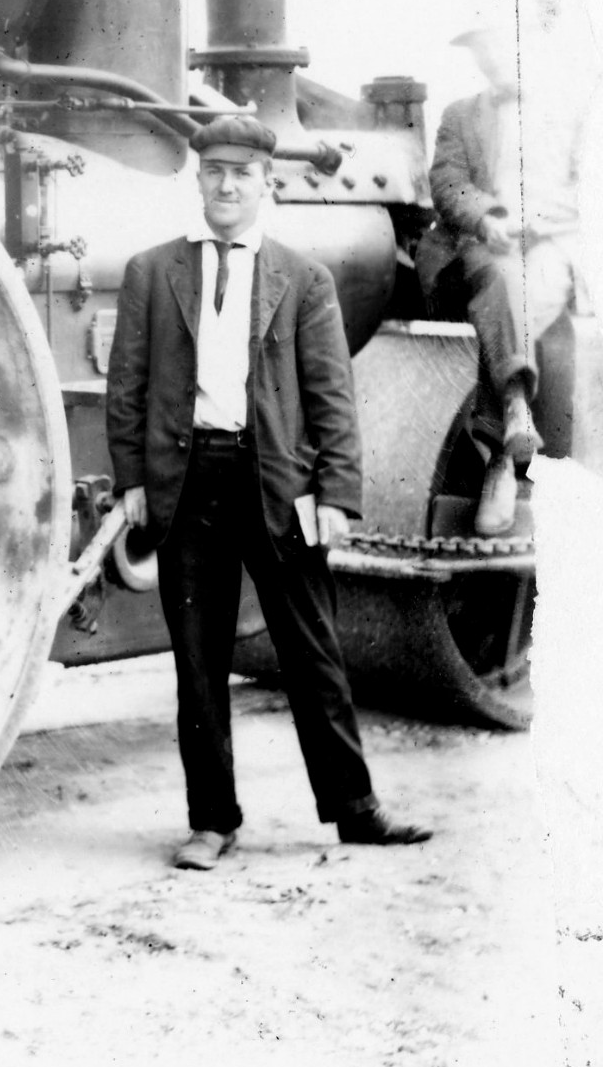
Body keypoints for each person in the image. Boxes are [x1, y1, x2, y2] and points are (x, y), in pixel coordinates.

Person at [106, 114, 432, 870]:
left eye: (241, 173)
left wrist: (337, 496)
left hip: (278, 487)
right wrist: (131, 483)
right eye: (214, 170)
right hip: (187, 487)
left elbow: (331, 398)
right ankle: (211, 821)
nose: (226, 184)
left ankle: (355, 809)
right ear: (199, 180)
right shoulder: (153, 273)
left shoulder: (303, 278)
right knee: (197, 662)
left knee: (313, 651)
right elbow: (126, 389)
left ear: (264, 184)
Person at [415, 0, 594, 535]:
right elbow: (447, 181)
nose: (492, 57)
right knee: (500, 273)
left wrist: (533, 222)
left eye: (501, 41)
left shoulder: (574, 113)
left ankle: (500, 450)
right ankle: (513, 419)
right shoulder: (459, 115)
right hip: (474, 251)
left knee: (520, 278)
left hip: (552, 249)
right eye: (481, 47)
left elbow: (587, 190)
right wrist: (490, 217)